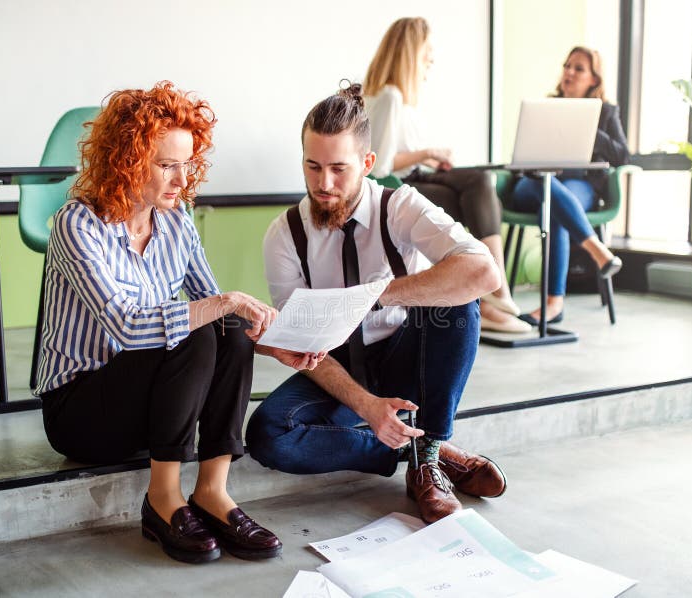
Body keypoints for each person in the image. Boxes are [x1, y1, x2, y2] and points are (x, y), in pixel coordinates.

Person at [35, 82, 319, 564]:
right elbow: (126, 326)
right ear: (124, 159)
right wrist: (226, 302)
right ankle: (163, 499)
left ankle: (212, 490)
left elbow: (220, 312)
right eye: (167, 165)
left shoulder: (176, 223)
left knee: (224, 328)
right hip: (81, 412)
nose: (182, 179)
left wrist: (276, 346)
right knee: (198, 329)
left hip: (150, 404)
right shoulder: (77, 225)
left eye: (188, 164)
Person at [246, 85, 508, 524]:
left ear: (367, 164)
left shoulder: (400, 205)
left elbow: (484, 273)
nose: (323, 184)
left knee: (456, 305)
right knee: (268, 435)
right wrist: (367, 406)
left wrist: (376, 294)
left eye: (338, 169)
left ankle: (427, 464)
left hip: (406, 355)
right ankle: (421, 453)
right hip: (336, 365)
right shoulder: (284, 234)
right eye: (312, 167)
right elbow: (301, 346)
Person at [363, 17, 530, 334]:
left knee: (479, 181)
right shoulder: (389, 97)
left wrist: (430, 158)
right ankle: (494, 291)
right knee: (471, 190)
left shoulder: (402, 98)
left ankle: (493, 291)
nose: (431, 62)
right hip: (397, 185)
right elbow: (380, 164)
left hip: (416, 174)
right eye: (427, 55)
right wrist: (428, 153)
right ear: (411, 54)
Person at [510, 46, 628, 325]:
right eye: (567, 66)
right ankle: (597, 250)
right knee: (546, 189)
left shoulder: (607, 113)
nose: (569, 72)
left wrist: (587, 126)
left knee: (553, 209)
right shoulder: (545, 107)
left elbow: (622, 155)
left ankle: (553, 304)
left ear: (594, 79)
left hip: (580, 185)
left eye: (579, 68)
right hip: (534, 183)